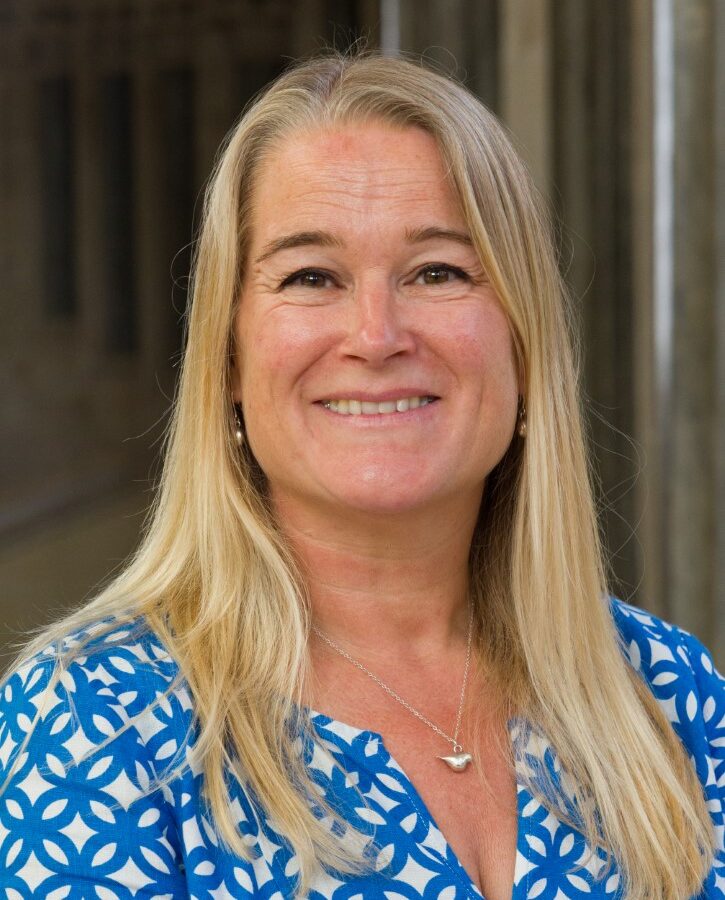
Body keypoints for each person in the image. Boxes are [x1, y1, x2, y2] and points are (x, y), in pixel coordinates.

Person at [0, 51, 722, 900]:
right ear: (228, 360)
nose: (376, 336)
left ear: (523, 347)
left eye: (438, 272)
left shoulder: (666, 691)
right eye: (311, 277)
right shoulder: (95, 719)